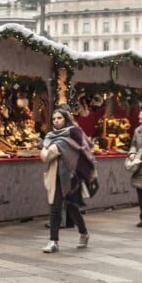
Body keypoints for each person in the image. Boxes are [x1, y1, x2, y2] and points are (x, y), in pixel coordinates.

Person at [40, 106, 96, 252]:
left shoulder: (72, 134)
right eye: (54, 119)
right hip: (56, 176)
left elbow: (47, 155)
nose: (56, 121)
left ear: (66, 119)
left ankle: (84, 233)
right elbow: (47, 156)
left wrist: (45, 148)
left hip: (71, 177)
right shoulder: (51, 135)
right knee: (55, 208)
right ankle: (53, 242)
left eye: (59, 118)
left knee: (72, 207)